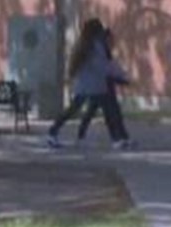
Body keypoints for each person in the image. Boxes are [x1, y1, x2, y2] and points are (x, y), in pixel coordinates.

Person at [46, 19, 130, 149]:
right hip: (95, 85)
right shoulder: (95, 46)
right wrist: (121, 77)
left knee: (76, 110)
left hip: (86, 85)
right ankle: (117, 139)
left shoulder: (84, 45)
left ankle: (54, 132)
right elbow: (102, 66)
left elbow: (98, 66)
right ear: (96, 31)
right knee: (109, 111)